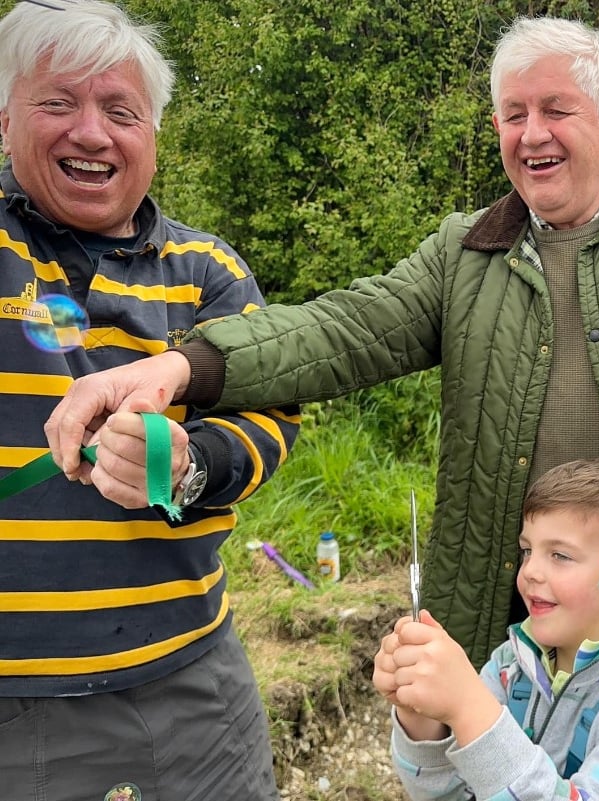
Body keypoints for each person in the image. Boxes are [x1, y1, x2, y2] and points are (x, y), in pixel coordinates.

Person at [46, 15, 599, 683]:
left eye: (557, 109)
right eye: (512, 114)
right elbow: (343, 328)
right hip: (502, 591)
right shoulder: (463, 250)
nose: (531, 134)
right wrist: (183, 366)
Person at [0, 2, 298, 798]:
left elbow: (274, 411)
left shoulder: (206, 268)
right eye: (57, 103)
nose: (91, 134)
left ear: (153, 137)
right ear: (4, 121)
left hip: (194, 672)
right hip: (14, 698)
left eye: (120, 111)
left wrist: (195, 463)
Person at [373, 457, 599, 800]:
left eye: (559, 555)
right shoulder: (509, 665)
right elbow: (453, 795)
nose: (530, 570)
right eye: (527, 551)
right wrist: (421, 717)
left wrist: (469, 707)